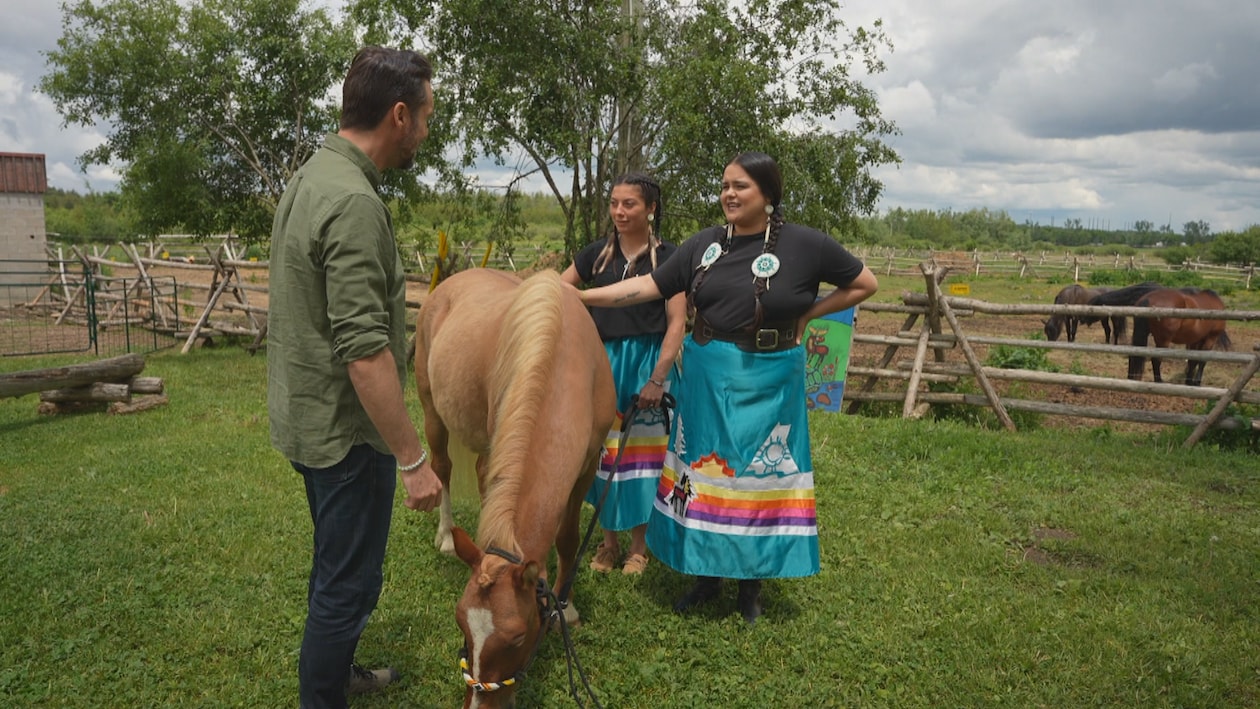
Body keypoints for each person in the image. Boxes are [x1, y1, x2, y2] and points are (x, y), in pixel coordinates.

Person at [575, 151, 878, 624]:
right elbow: (645, 288)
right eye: (725, 186)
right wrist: (578, 295)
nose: (729, 195)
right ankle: (706, 577)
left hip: (772, 377)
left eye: (741, 187)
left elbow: (864, 283)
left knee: (757, 478)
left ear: (769, 195)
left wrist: (809, 313)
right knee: (709, 473)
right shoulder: (704, 246)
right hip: (708, 374)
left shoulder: (805, 244)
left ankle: (750, 587)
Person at [267, 46, 444, 708]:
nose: (426, 130)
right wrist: (414, 458)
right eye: (425, 116)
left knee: (336, 568)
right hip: (347, 434)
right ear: (398, 115)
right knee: (348, 582)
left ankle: (338, 672)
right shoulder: (353, 201)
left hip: (310, 418)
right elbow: (366, 352)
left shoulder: (313, 176)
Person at [560, 173, 686, 575]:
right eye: (614, 203)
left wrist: (658, 377)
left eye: (629, 204)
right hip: (601, 364)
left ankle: (639, 546)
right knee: (601, 453)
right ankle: (608, 541)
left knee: (645, 457)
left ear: (651, 209)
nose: (618, 211)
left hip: (648, 363)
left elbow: (677, 322)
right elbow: (559, 293)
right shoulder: (595, 255)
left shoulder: (670, 259)